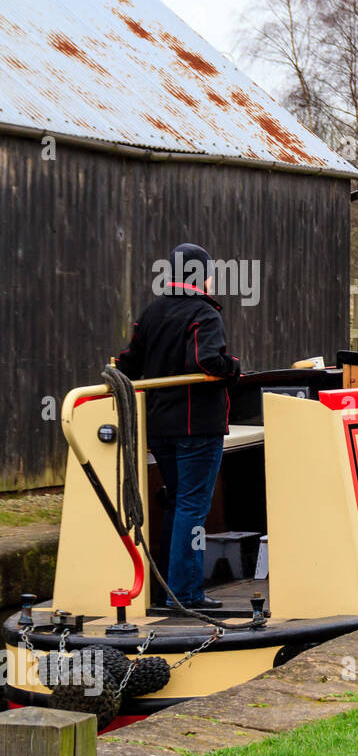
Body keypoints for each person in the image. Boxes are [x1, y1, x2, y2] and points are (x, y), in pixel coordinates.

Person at [116, 243, 240, 608]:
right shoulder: (204, 313)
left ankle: (167, 588)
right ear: (203, 276)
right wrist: (233, 366)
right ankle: (185, 593)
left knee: (175, 502)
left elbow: (128, 363)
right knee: (193, 507)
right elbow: (205, 360)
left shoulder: (152, 312)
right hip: (197, 428)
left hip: (160, 428)